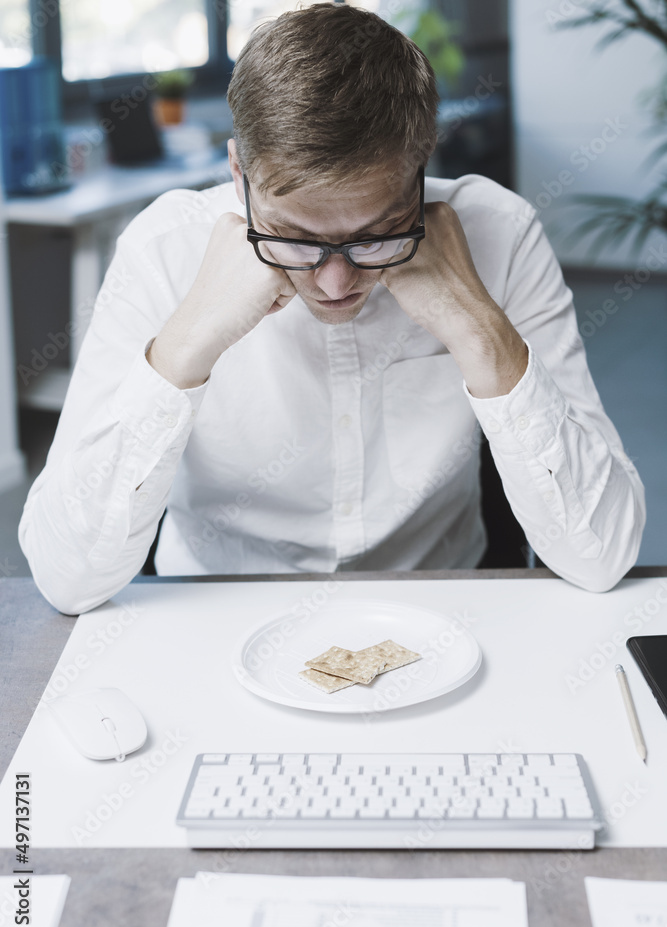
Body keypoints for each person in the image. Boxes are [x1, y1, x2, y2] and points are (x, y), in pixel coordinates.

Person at [19, 3, 645, 615]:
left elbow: (604, 555)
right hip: (213, 617)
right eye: (295, 236)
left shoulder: (501, 233)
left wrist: (480, 332)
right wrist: (183, 349)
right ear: (239, 174)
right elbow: (65, 578)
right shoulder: (161, 250)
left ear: (421, 170)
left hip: (444, 606)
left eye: (378, 232)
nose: (337, 281)